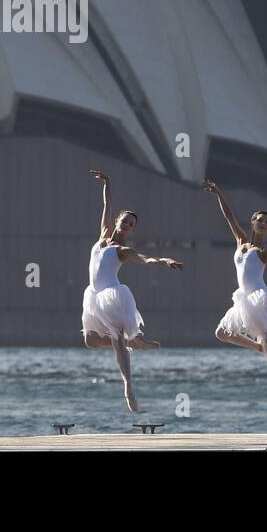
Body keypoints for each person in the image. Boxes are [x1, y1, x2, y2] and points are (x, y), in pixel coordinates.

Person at [82, 169, 183, 411]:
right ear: (117, 221)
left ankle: (128, 386)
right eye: (124, 221)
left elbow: (145, 259)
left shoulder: (123, 250)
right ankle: (134, 342)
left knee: (116, 338)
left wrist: (164, 260)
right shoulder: (103, 235)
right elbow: (106, 203)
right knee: (90, 340)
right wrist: (107, 182)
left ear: (132, 230)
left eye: (131, 225)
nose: (126, 225)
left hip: (111, 295)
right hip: (93, 296)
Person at [204, 179, 267, 413]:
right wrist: (219, 192)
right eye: (260, 220)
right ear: (252, 223)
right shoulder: (241, 242)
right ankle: (258, 348)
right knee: (222, 333)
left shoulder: (265, 251)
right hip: (242, 298)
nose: (263, 223)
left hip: (260, 296)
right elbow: (229, 216)